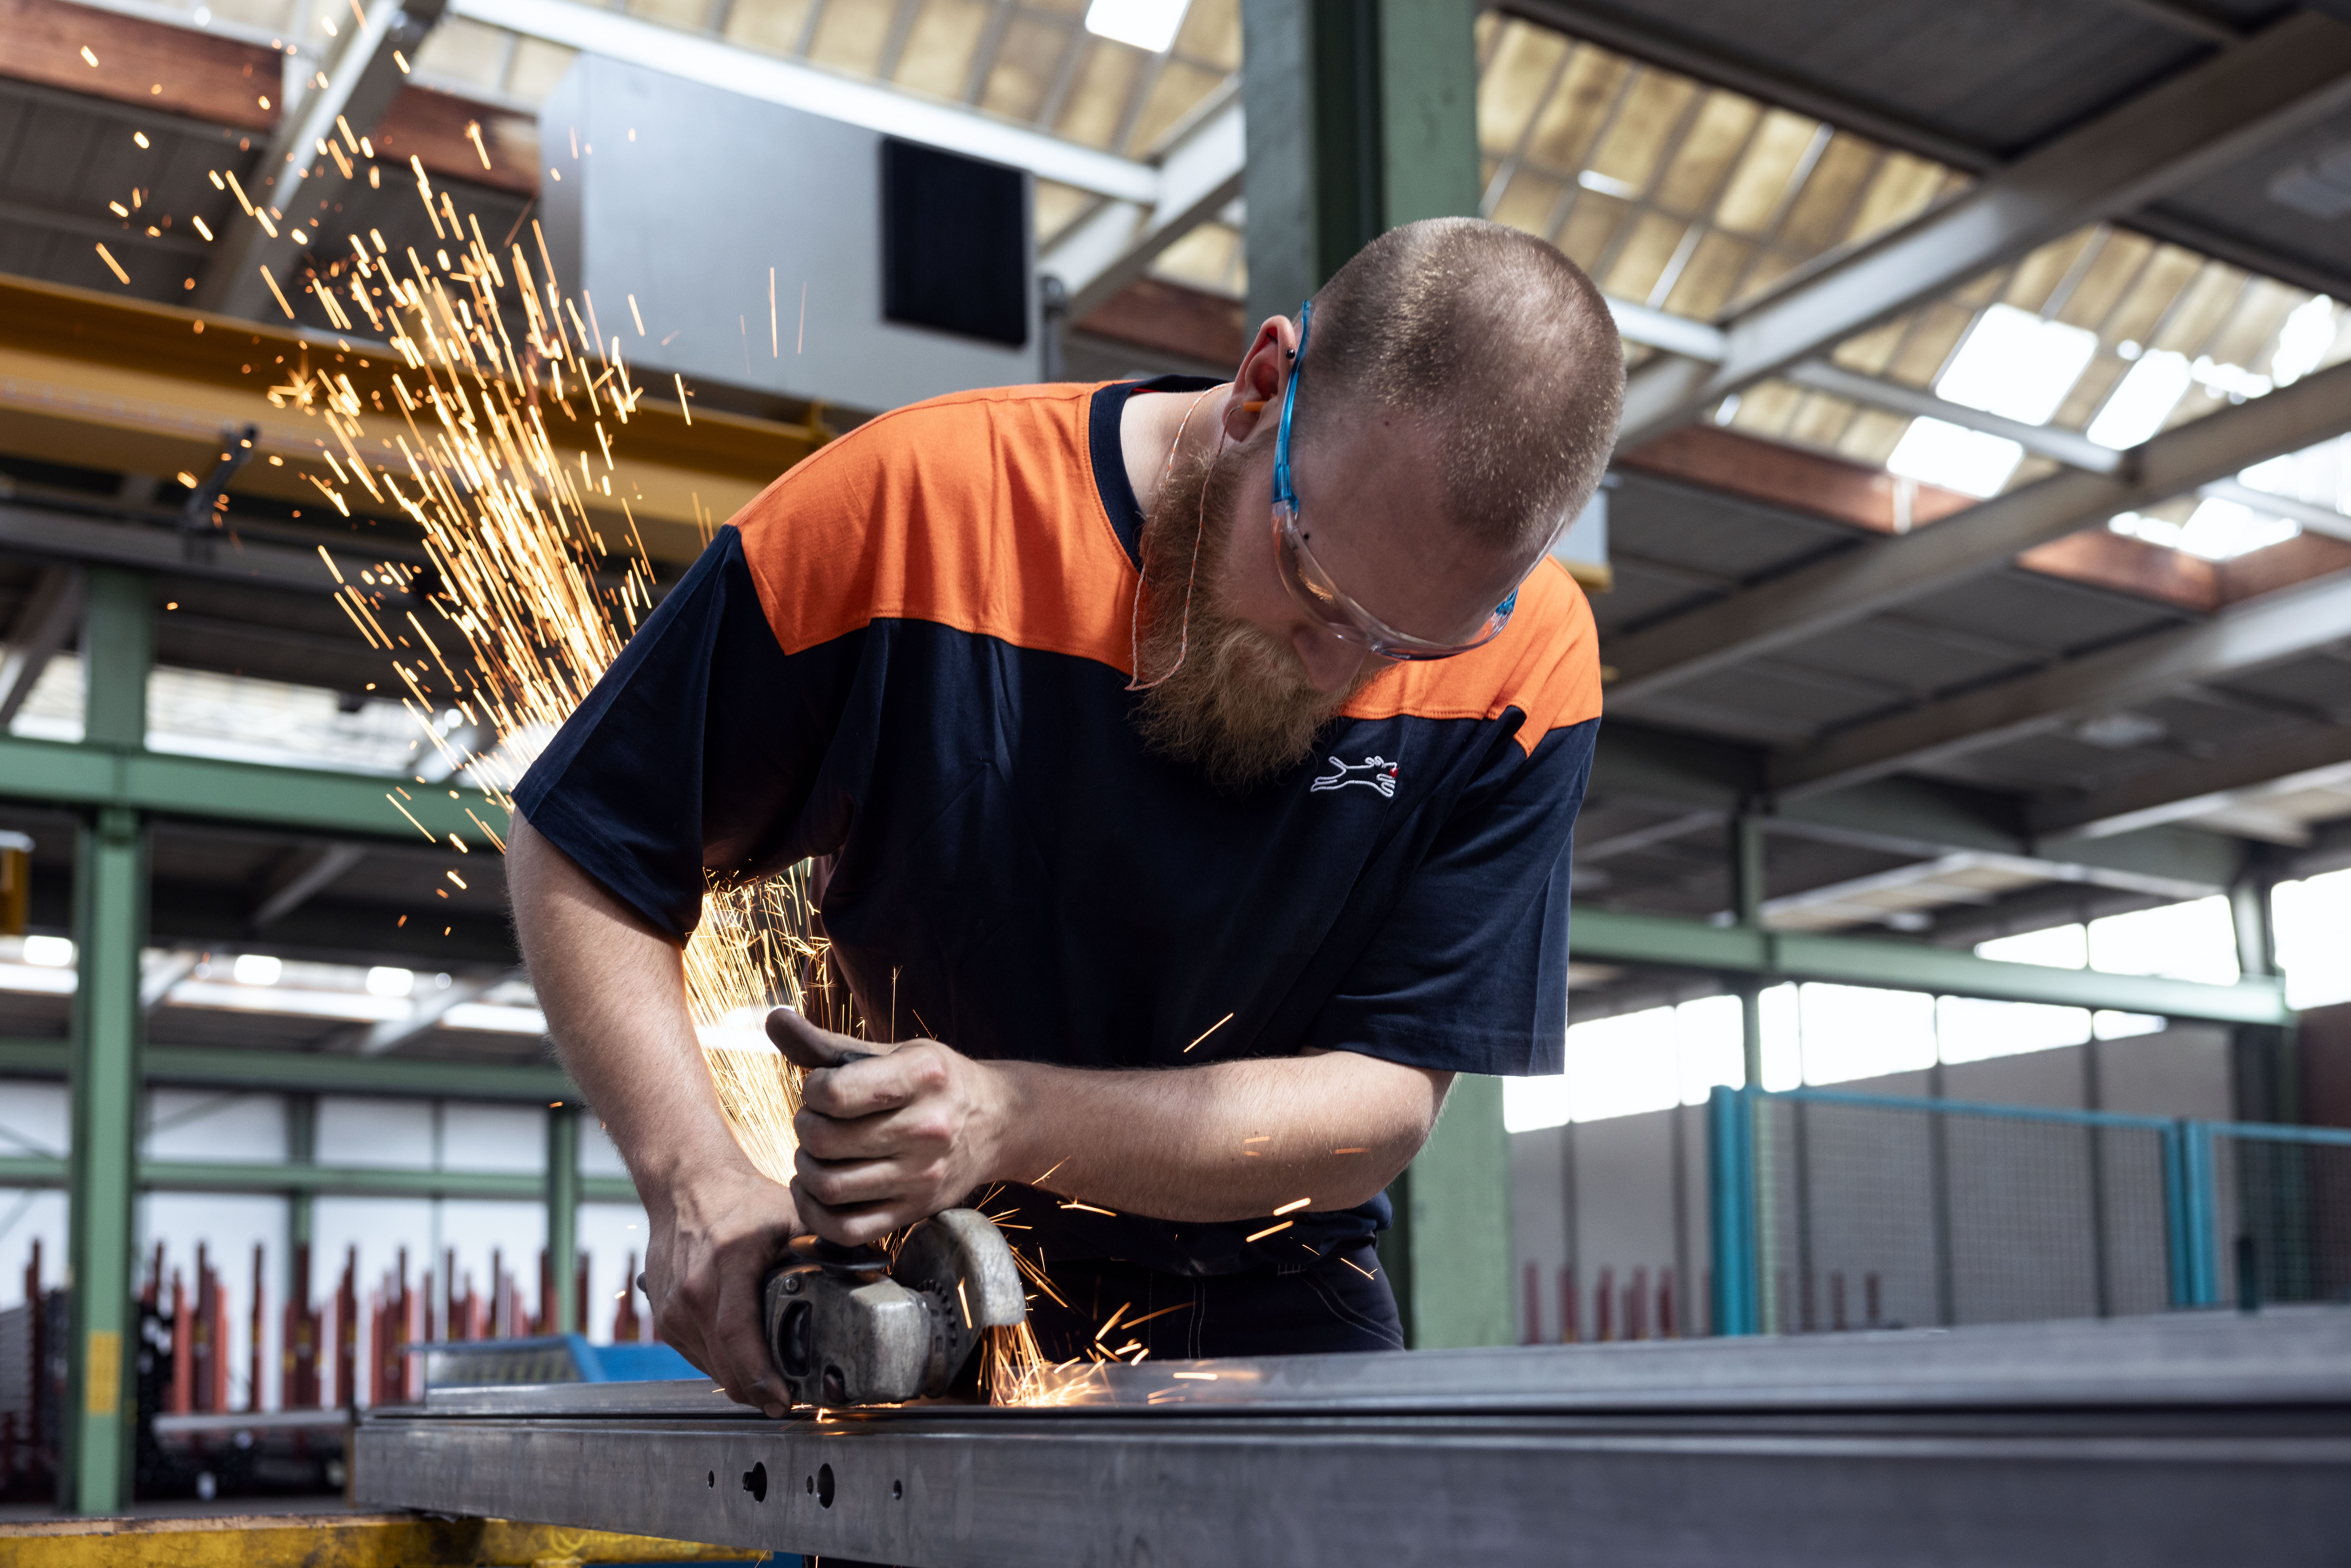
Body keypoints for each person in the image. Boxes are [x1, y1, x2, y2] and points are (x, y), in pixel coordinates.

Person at [506, 216, 1623, 1413]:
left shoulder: (1530, 664)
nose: (1334, 665)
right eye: (1311, 579)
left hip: (1274, 1290)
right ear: (1260, 390)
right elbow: (587, 841)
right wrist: (693, 1180)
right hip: (913, 1299)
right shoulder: (908, 515)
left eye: (1403, 640)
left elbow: (1379, 1101)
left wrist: (1008, 1115)